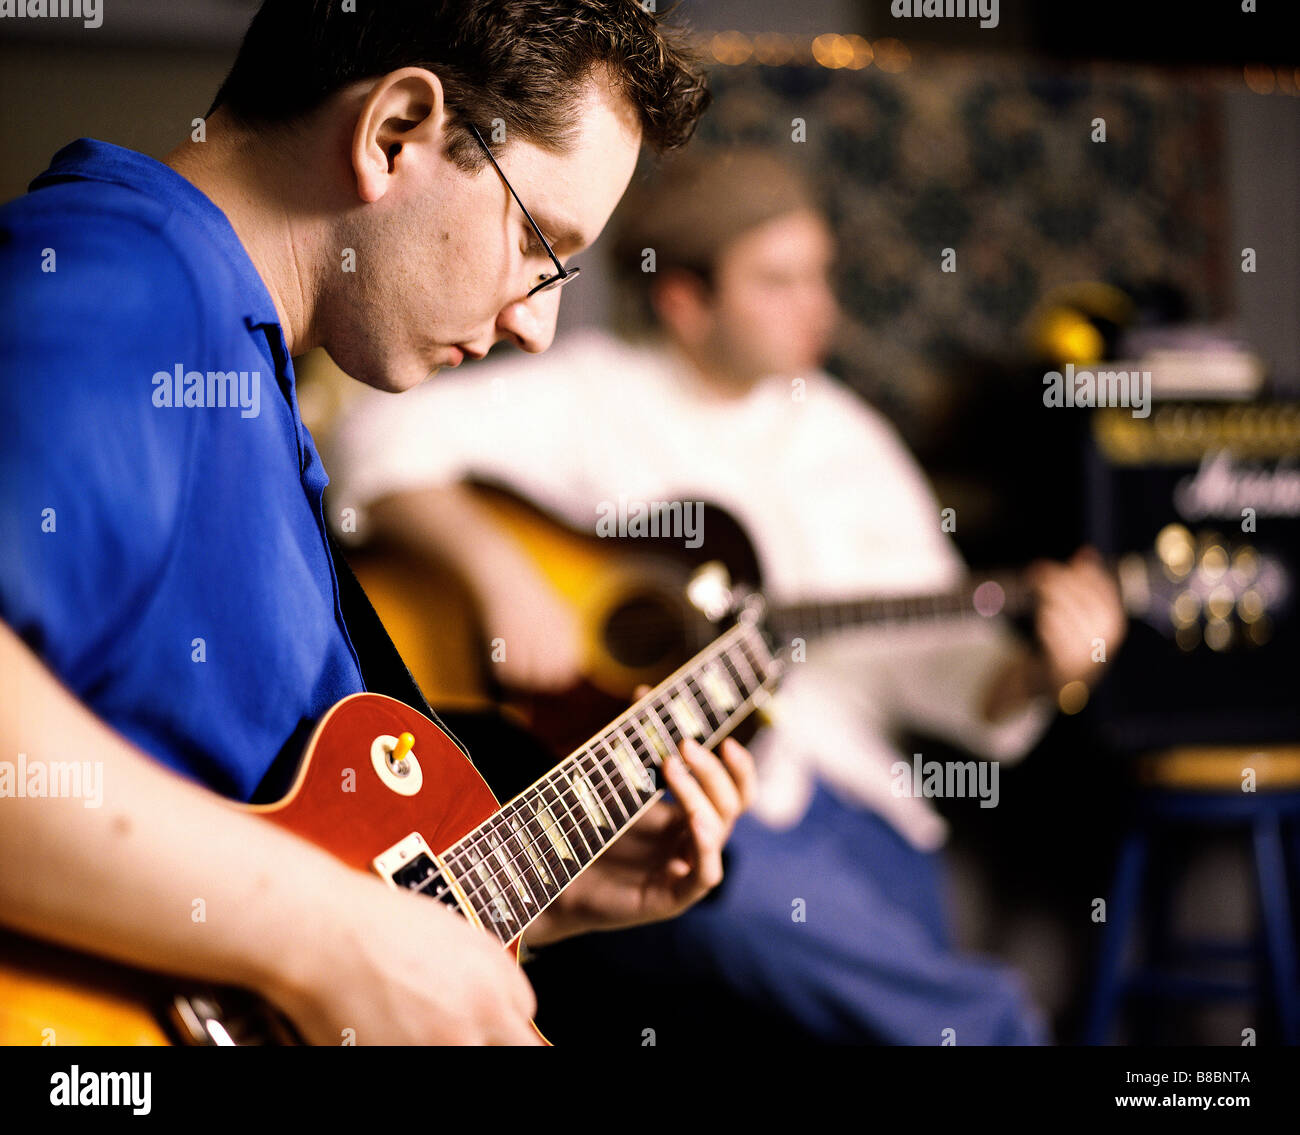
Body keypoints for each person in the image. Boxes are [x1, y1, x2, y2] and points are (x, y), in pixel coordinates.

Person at [0, 1, 760, 1047]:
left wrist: (506, 899)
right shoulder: (128, 291)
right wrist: (332, 935)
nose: (536, 326)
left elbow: (237, 830)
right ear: (394, 130)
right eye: (543, 243)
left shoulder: (240, 358)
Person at [323, 148, 1129, 1044]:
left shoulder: (848, 437)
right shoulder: (590, 392)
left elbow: (943, 670)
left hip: (854, 810)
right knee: (715, 862)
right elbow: (372, 437)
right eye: (779, 282)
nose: (820, 307)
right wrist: (496, 570)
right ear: (684, 300)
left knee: (796, 906)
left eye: (821, 275)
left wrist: (1045, 670)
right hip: (689, 803)